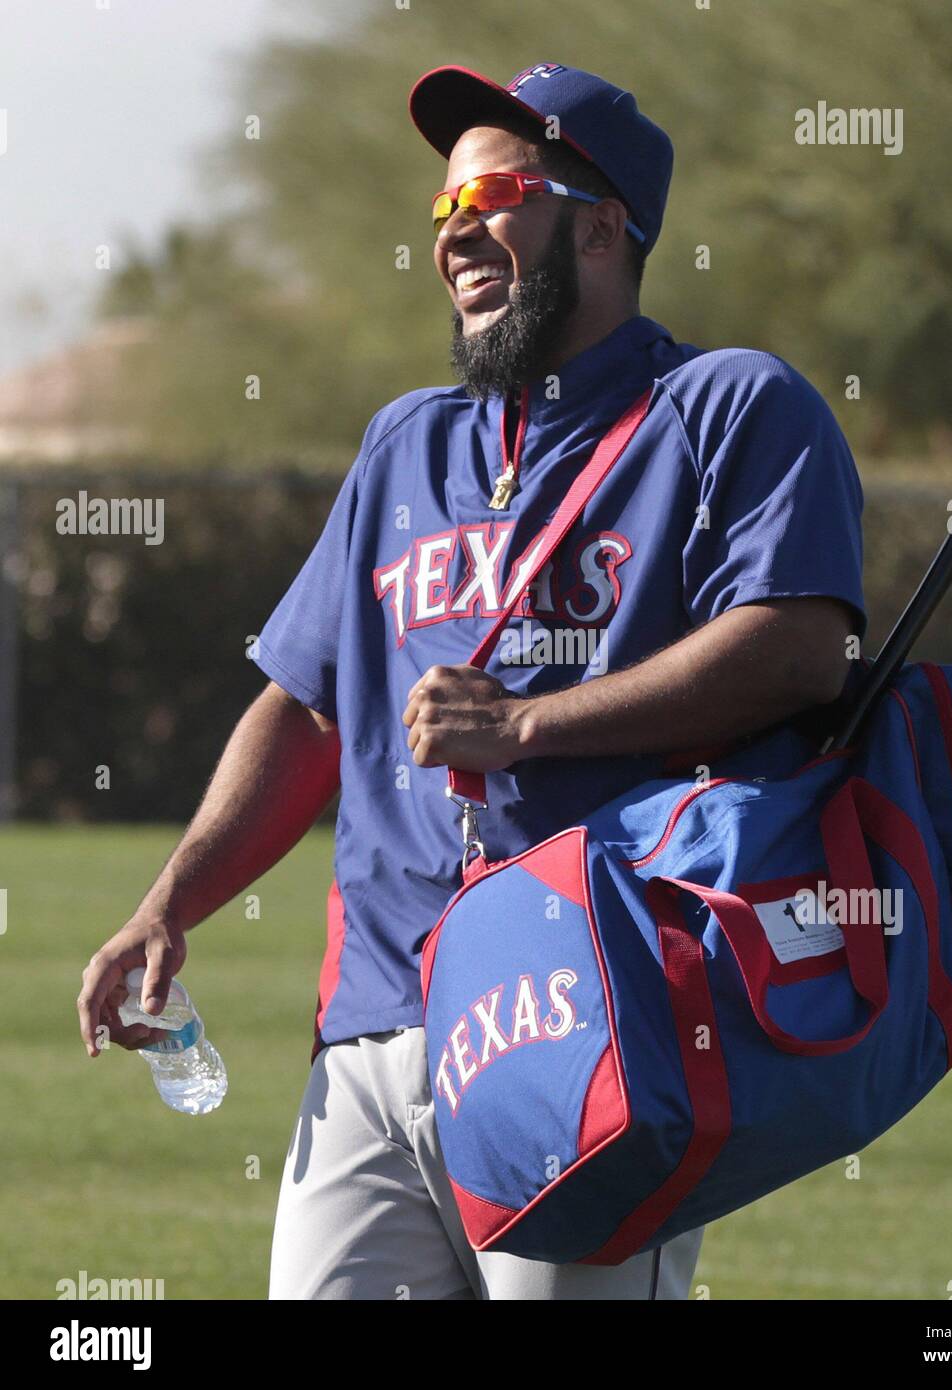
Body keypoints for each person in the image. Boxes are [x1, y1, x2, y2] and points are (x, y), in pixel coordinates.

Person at [77, 62, 866, 1300]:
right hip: (373, 1029)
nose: (454, 231)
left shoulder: (726, 409)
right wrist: (171, 902)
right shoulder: (407, 442)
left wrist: (527, 723)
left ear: (604, 223)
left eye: (493, 192)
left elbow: (797, 644)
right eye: (443, 207)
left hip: (590, 1019)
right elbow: (306, 706)